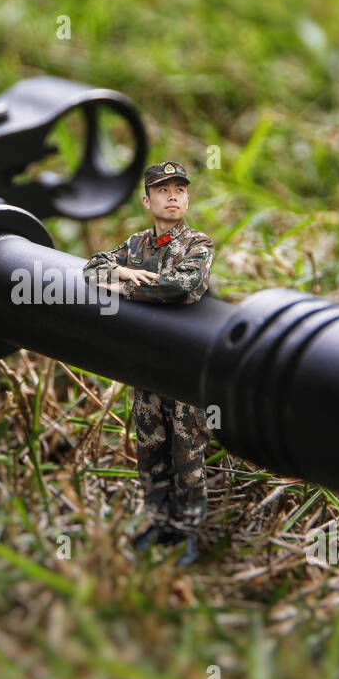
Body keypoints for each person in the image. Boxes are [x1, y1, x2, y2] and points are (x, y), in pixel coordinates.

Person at [80, 161, 215, 566]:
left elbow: (183, 287)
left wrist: (124, 285)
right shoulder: (137, 245)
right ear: (147, 200)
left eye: (179, 190)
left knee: (187, 454)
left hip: (186, 364)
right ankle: (159, 522)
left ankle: (188, 531)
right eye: (162, 190)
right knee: (150, 449)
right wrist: (122, 269)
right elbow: (91, 268)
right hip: (147, 366)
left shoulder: (198, 243)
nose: (172, 196)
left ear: (187, 198)